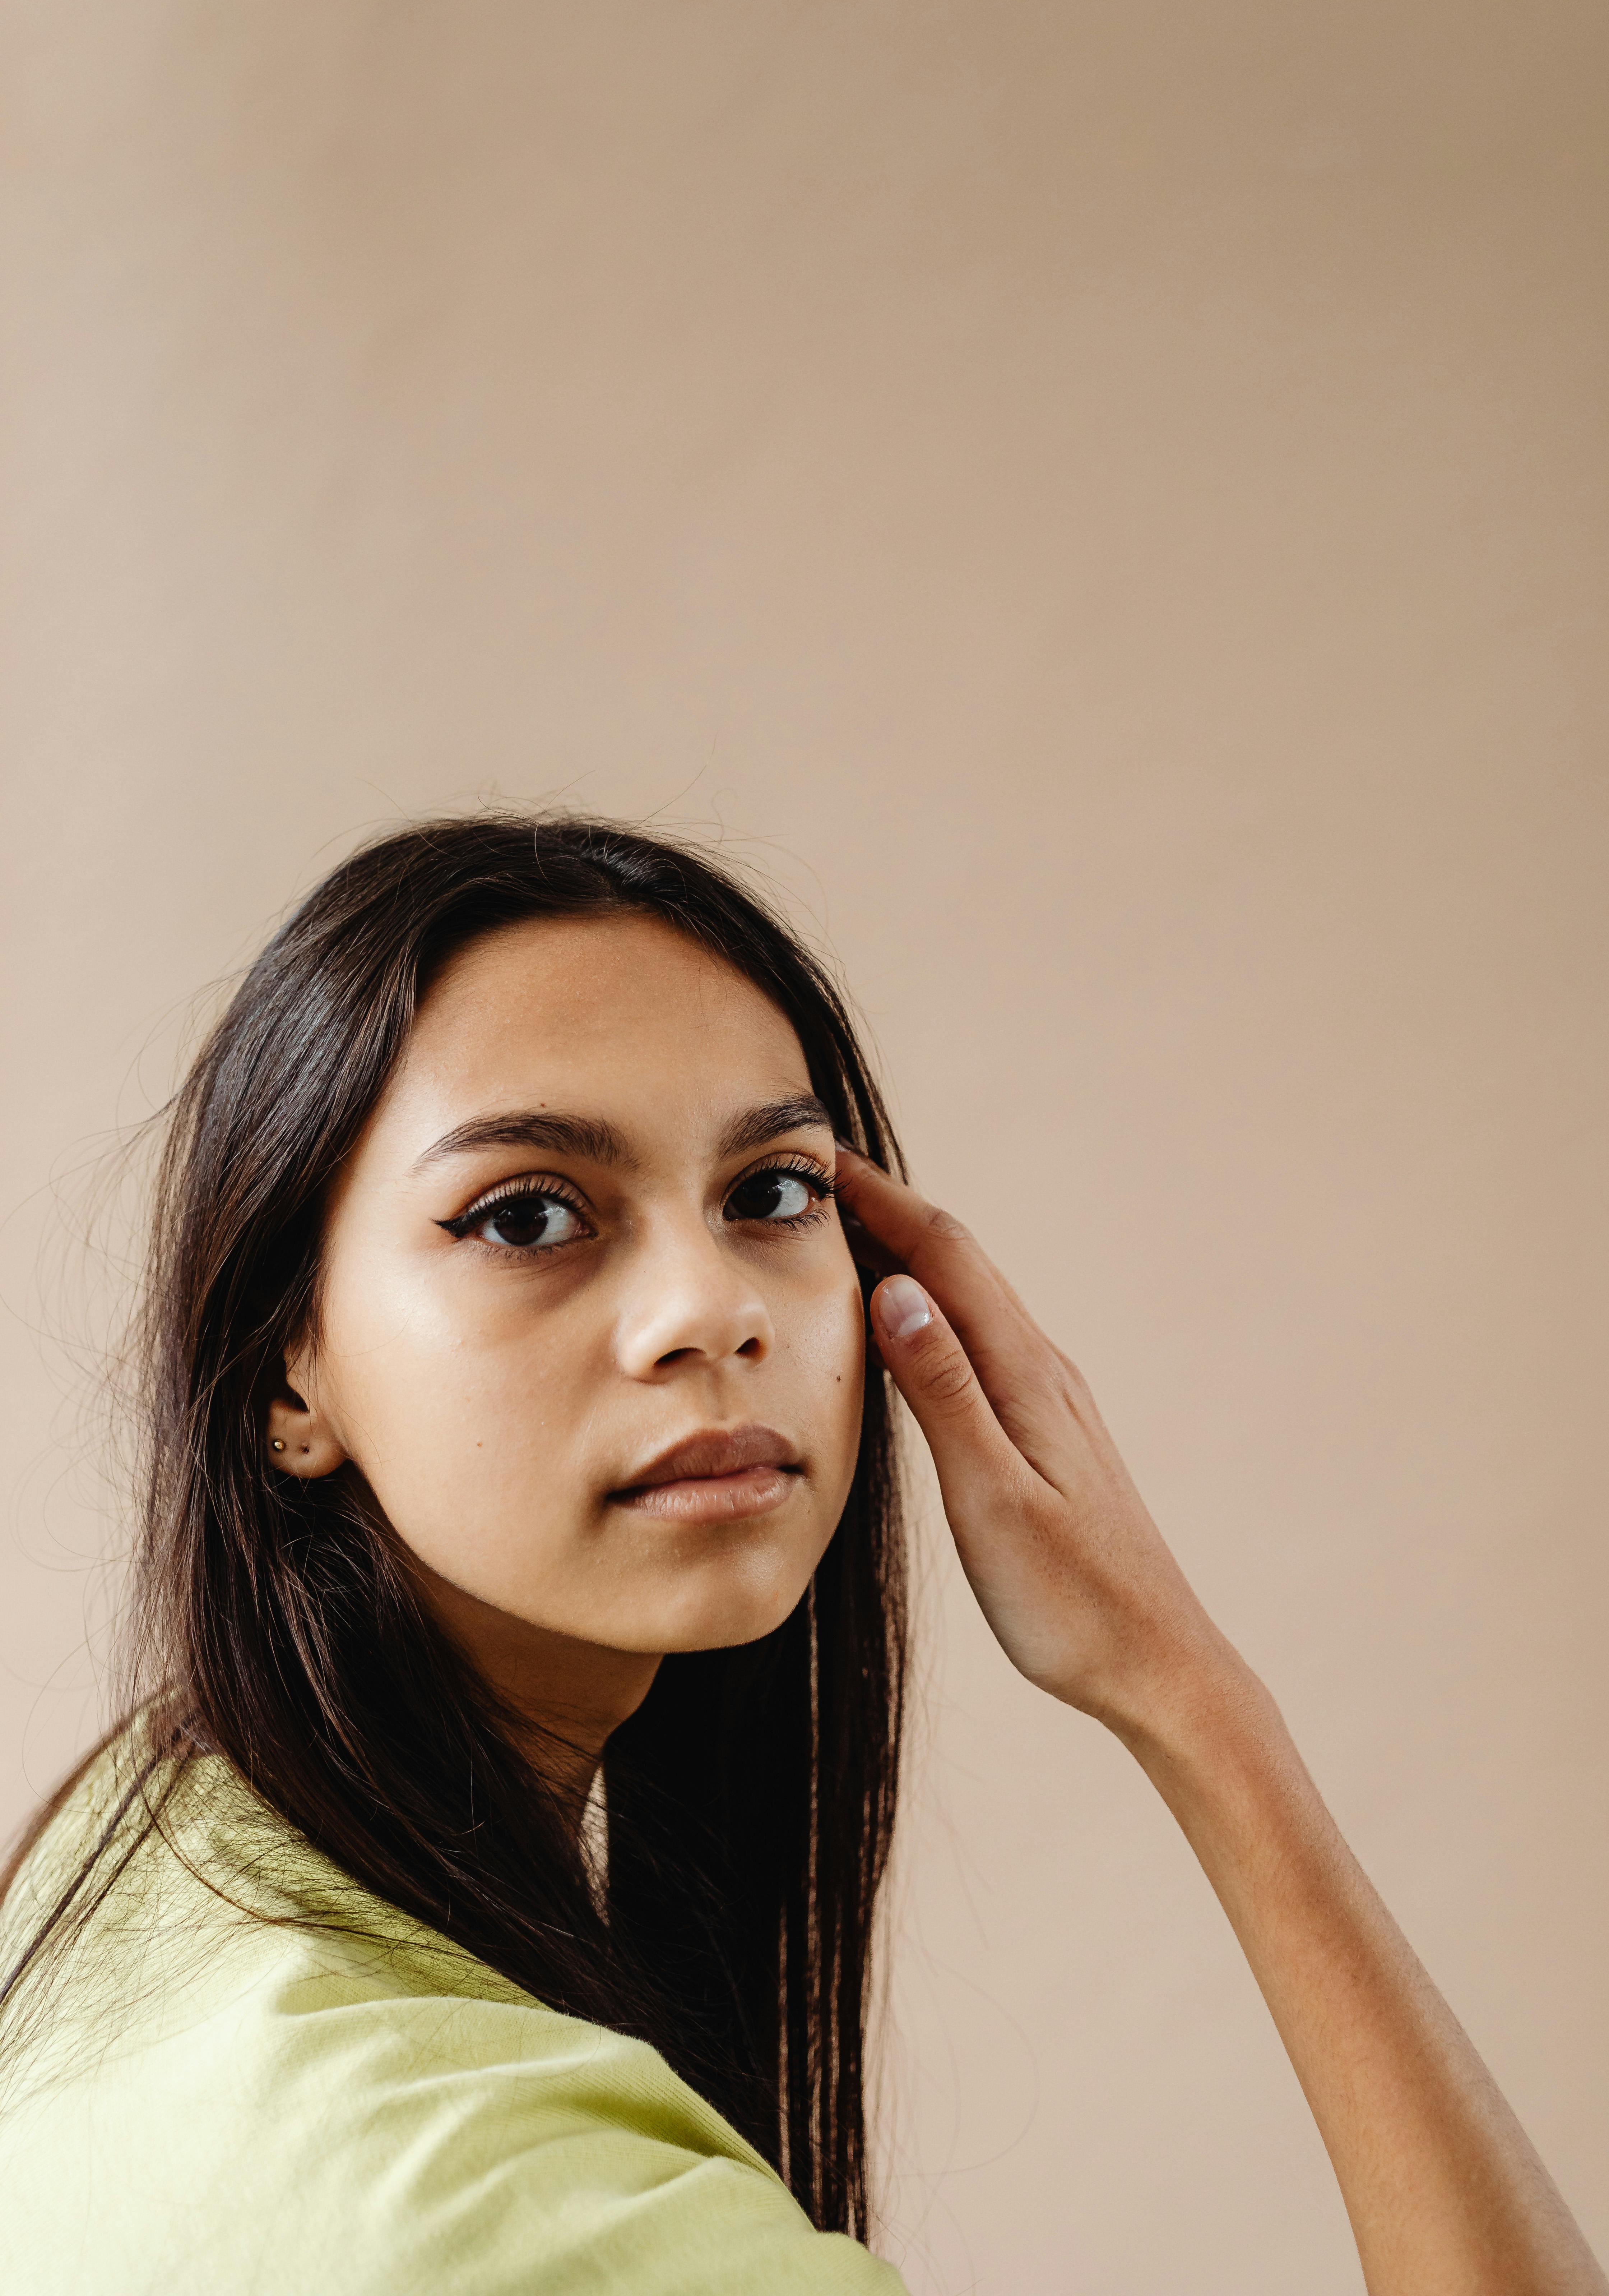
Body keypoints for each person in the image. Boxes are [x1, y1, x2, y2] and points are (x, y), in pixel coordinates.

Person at [0, 812, 1600, 2296]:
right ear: (291, 1369)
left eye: (772, 1191)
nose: (714, 1310)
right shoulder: (511, 2197)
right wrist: (1200, 1711)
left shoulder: (141, 1870)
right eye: (527, 1215)